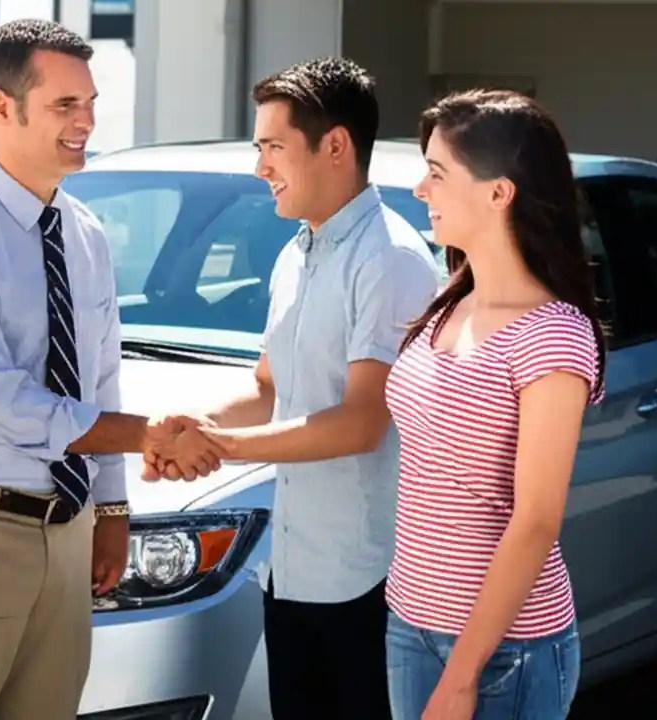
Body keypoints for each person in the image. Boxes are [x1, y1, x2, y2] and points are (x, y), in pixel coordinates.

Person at [0, 18, 212, 720]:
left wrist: (114, 509)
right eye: (66, 106)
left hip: (67, 535)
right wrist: (145, 434)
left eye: (89, 103)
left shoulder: (85, 234)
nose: (86, 122)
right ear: (1, 108)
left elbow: (98, 377)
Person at [143, 57, 440, 719]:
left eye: (273, 147)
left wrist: (222, 445)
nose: (261, 168)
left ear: (335, 146)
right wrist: (181, 427)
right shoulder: (293, 253)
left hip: (371, 579)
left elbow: (363, 420)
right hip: (296, 572)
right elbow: (271, 387)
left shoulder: (389, 258)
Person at [381, 89, 606, 719]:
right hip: (412, 623)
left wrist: (462, 672)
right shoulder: (450, 304)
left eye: (436, 173)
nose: (421, 191)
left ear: (498, 192)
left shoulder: (554, 334)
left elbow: (535, 519)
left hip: (505, 650)